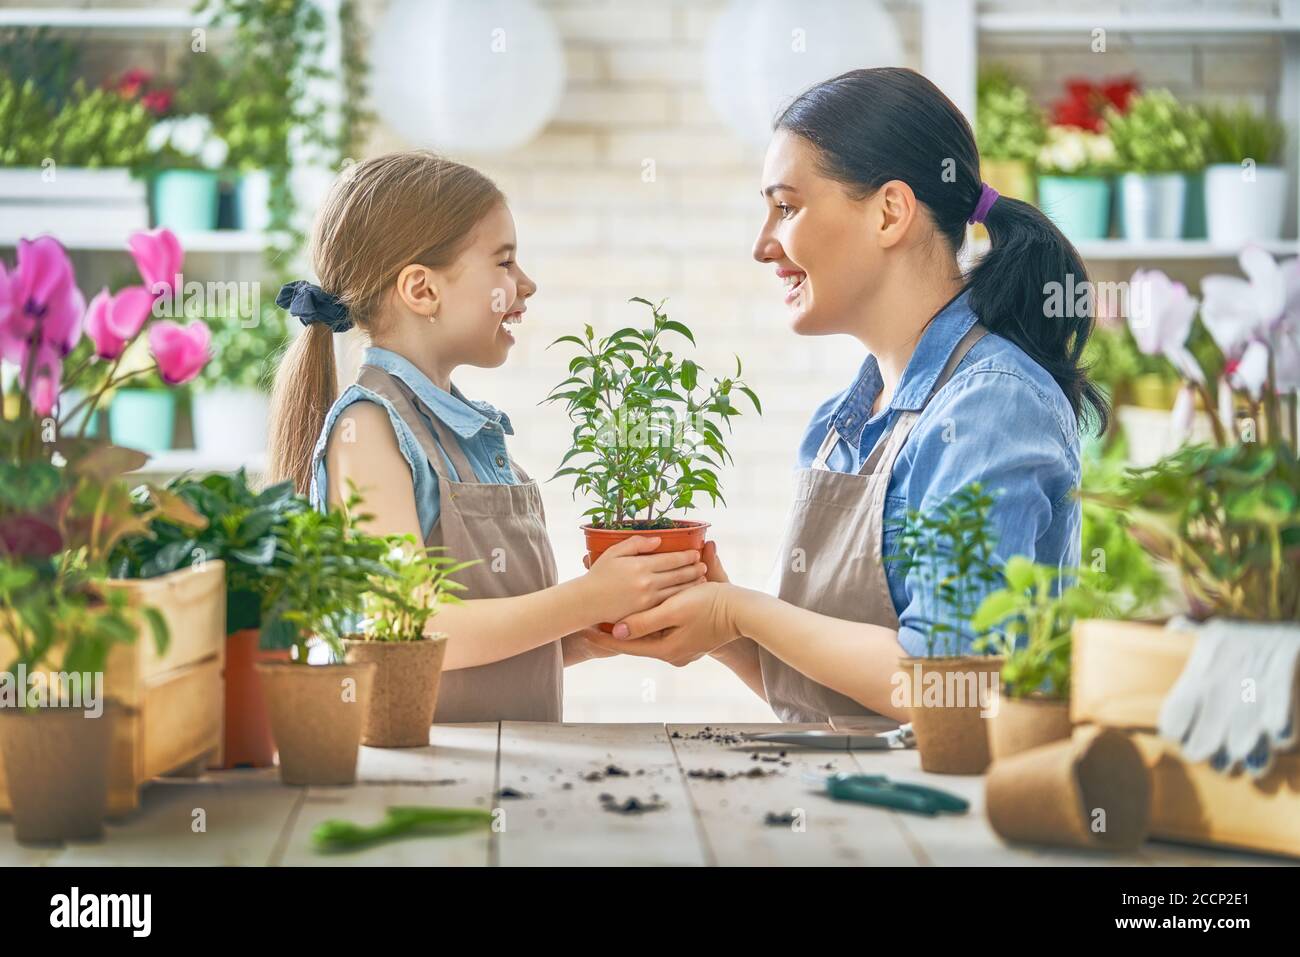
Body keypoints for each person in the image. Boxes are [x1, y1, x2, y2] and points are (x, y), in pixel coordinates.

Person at [587, 68, 1106, 724]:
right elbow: (830, 704)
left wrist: (743, 611)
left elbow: (953, 690)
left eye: (786, 206)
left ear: (891, 211)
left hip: (950, 813)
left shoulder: (989, 406)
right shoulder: (841, 423)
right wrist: (726, 635)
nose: (762, 245)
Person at [266, 151, 706, 722]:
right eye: (504, 263)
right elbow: (415, 626)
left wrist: (583, 636)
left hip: (500, 772)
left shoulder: (468, 433)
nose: (527, 284)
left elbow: (482, 648)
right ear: (422, 290)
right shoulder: (370, 429)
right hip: (427, 782)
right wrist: (589, 596)